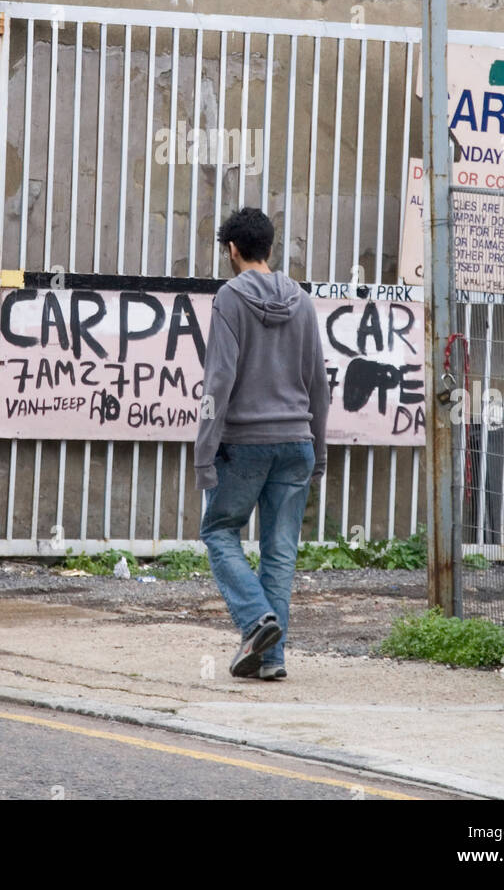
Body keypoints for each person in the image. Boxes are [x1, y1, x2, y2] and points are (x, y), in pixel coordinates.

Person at [195, 207, 329, 680]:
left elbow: (218, 381)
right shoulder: (303, 300)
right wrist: (321, 449)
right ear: (270, 249)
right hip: (297, 441)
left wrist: (203, 454)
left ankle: (256, 621)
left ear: (232, 251)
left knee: (218, 532)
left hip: (244, 443)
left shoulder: (230, 298)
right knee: (280, 551)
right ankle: (271, 659)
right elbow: (319, 384)